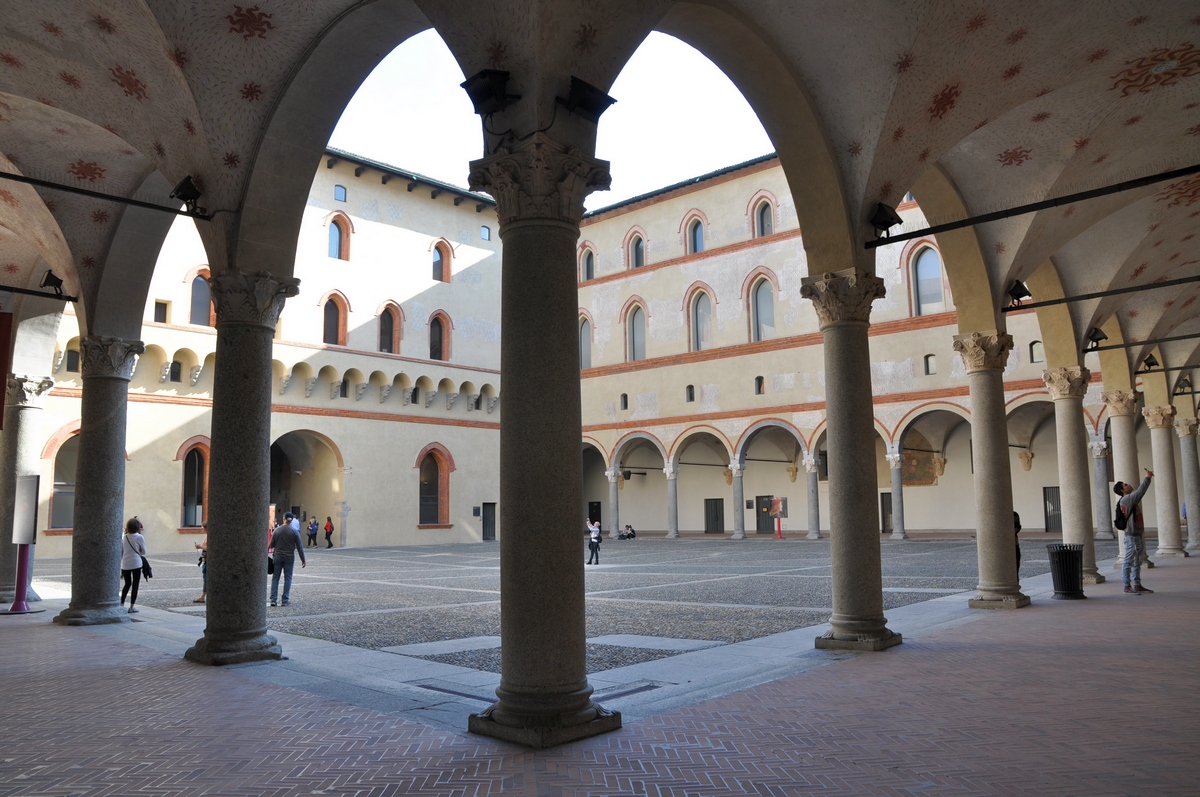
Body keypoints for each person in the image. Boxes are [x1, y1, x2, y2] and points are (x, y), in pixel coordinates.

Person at [1115, 468, 1154, 595]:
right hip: (1131, 536)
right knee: (1128, 560)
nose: (1128, 485)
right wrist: (1147, 477)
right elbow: (1140, 491)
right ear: (1122, 490)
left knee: (1138, 560)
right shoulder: (1126, 500)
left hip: (1136, 535)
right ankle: (1127, 585)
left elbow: (1140, 494)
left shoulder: (1131, 500)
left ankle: (1137, 584)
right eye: (1125, 485)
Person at [269, 512, 307, 607]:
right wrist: (303, 560)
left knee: (275, 578)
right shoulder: (294, 531)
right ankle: (285, 600)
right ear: (291, 520)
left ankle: (273, 599)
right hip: (289, 557)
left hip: (277, 556)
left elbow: (271, 545)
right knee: (288, 578)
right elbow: (299, 547)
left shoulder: (277, 530)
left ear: (283, 518)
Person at [120, 517, 147, 614]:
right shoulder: (139, 537)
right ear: (137, 527)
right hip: (136, 563)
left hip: (125, 563)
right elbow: (143, 551)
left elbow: (121, 552)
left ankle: (121, 604)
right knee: (135, 584)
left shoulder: (125, 537)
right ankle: (131, 607)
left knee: (127, 584)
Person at [193, 527, 207, 603]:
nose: (202, 530)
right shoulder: (207, 536)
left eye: (203, 528)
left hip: (207, 560)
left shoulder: (210, 536)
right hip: (205, 559)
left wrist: (200, 546)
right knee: (205, 578)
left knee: (206, 579)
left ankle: (202, 597)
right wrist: (199, 546)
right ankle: (202, 596)